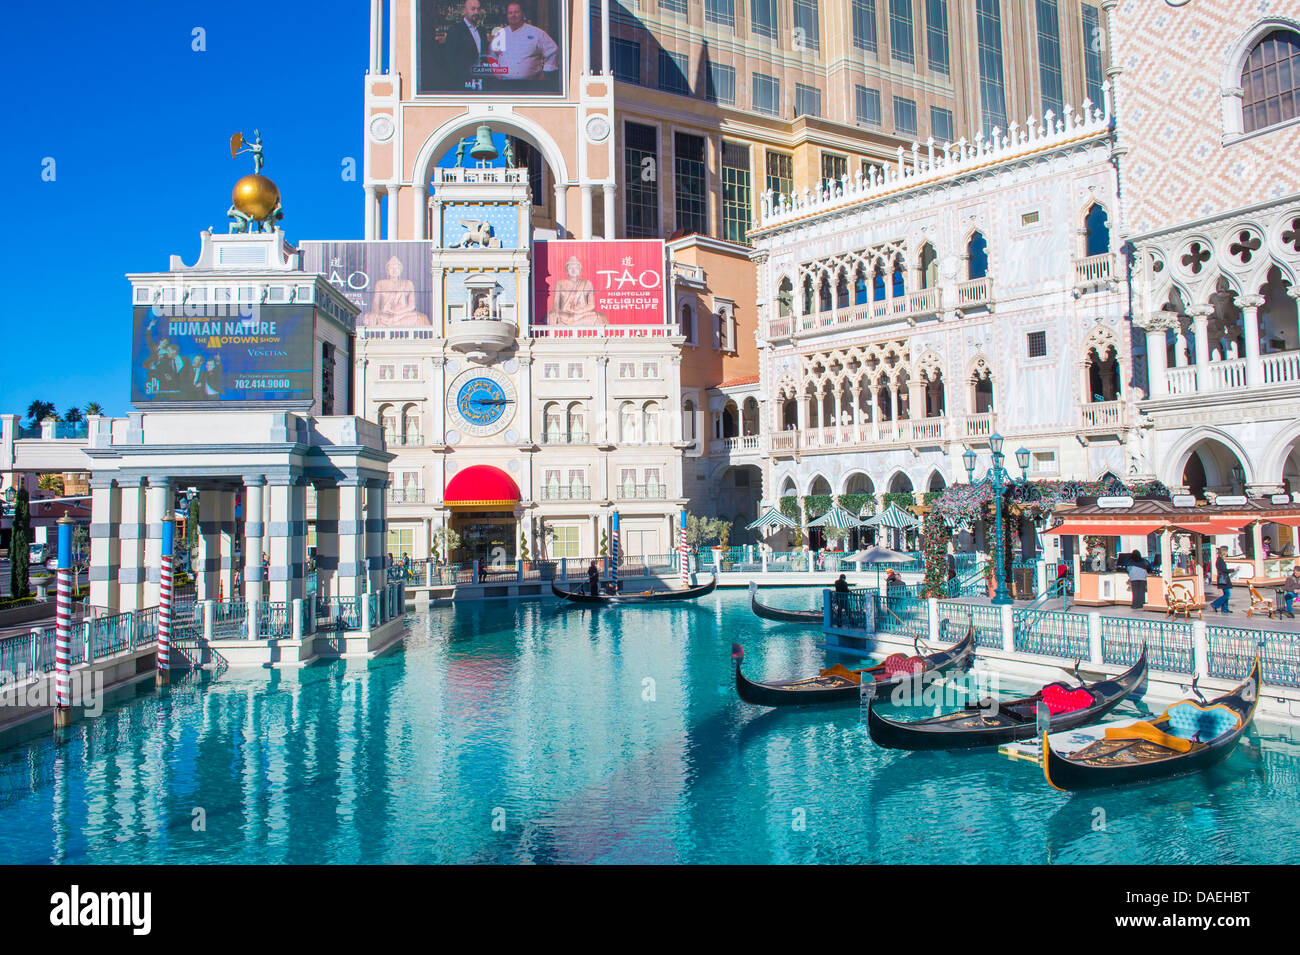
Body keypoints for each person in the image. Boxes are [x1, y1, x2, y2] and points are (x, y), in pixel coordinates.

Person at [489, 2, 559, 86]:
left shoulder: (537, 33)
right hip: (504, 83)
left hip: (531, 83)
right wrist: (496, 71)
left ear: (523, 14)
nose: (513, 15)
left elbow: (553, 50)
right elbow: (492, 55)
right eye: (510, 13)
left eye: (516, 12)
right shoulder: (500, 34)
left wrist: (545, 72)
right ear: (507, 15)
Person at [361, 256, 430, 327]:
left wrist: (396, 312)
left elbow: (412, 305)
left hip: (402, 315)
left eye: (396, 268)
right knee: (369, 318)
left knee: (420, 318)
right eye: (391, 268)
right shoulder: (381, 283)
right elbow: (375, 303)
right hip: (385, 314)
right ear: (387, 270)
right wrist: (378, 312)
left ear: (400, 270)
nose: (394, 270)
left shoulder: (408, 283)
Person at [546, 256, 608, 326]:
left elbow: (591, 304)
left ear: (580, 270)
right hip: (565, 314)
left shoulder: (587, 283)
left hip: (582, 314)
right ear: (566, 270)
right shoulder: (560, 283)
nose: (573, 270)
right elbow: (556, 303)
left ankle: (573, 321)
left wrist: (578, 311)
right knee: (550, 316)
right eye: (570, 268)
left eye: (576, 268)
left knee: (599, 317)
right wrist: (556, 312)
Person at [1210, 546, 1234, 614]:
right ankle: (1215, 604)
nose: (1226, 555)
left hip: (1223, 579)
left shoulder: (1220, 560)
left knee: (1226, 594)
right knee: (1227, 595)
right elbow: (1224, 570)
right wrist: (1233, 570)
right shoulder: (1220, 560)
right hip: (1223, 579)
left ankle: (1225, 609)